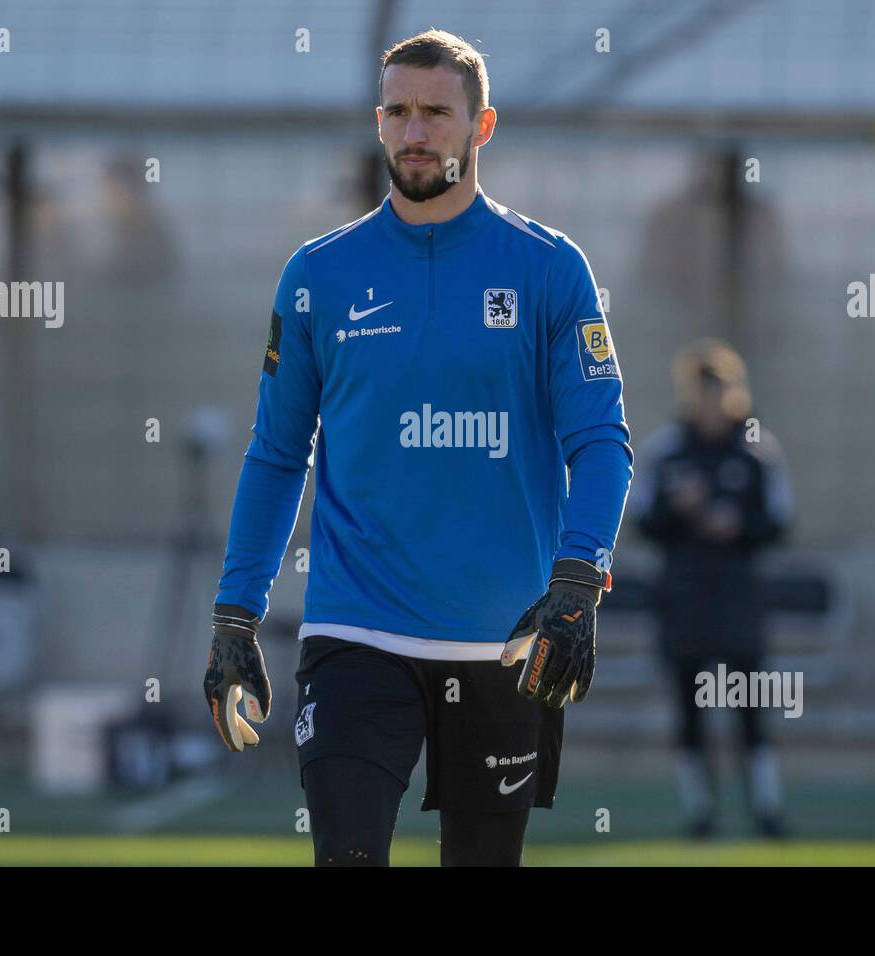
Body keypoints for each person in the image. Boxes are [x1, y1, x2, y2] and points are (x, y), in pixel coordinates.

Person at [202, 29, 632, 866]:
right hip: (355, 633)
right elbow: (276, 454)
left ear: (483, 126)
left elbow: (601, 441)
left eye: (437, 112)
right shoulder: (317, 275)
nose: (415, 131)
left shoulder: (550, 268)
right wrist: (235, 613)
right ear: (377, 122)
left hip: (504, 641)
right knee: (348, 855)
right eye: (398, 111)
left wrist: (577, 582)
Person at [630, 339, 792, 838]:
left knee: (749, 709)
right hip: (683, 597)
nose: (709, 400)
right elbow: (641, 519)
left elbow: (779, 522)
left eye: (718, 388)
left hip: (738, 597)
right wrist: (679, 509)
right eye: (700, 390)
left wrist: (737, 524)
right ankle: (699, 812)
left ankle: (766, 810)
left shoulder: (758, 448)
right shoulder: (666, 449)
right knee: (689, 708)